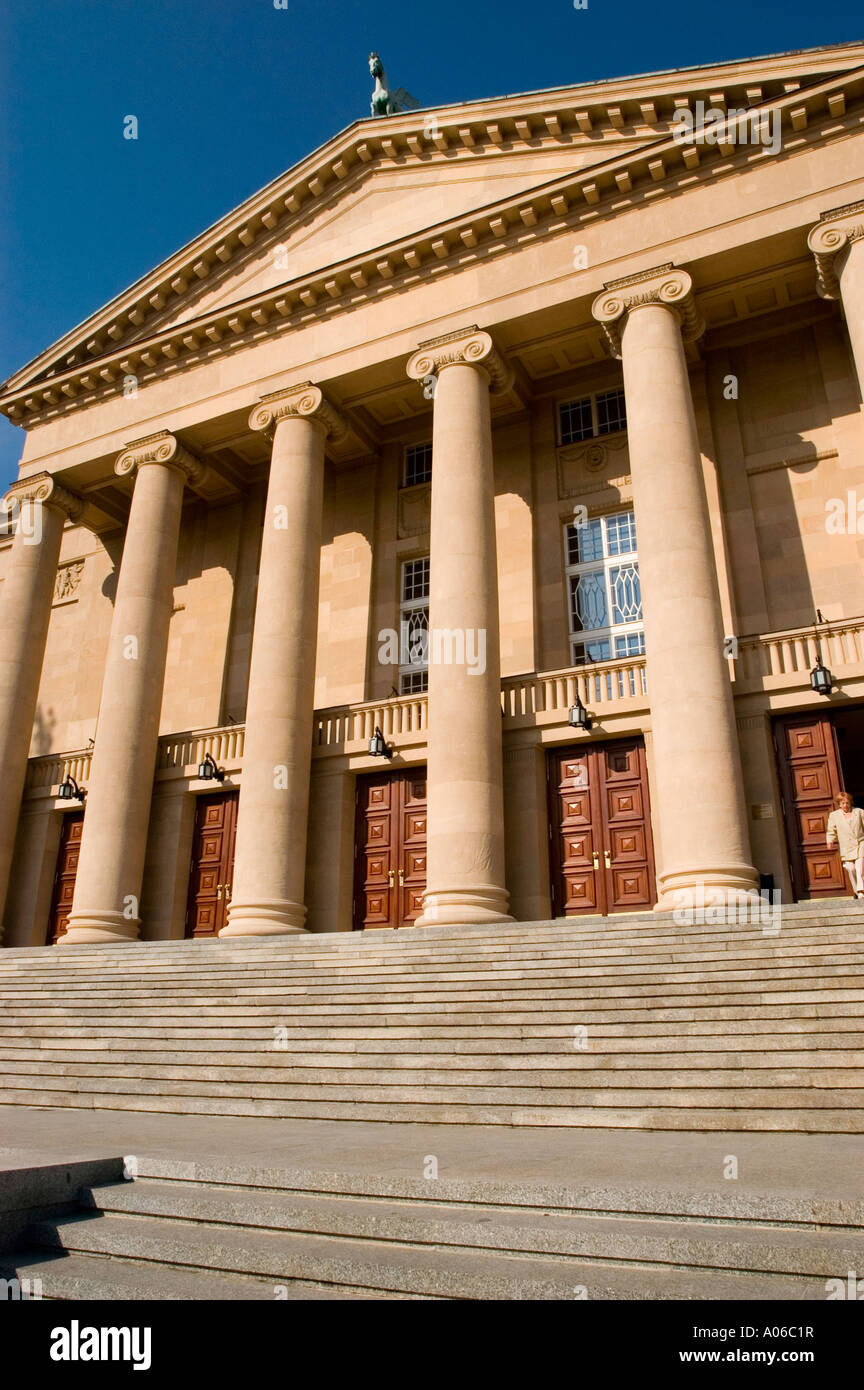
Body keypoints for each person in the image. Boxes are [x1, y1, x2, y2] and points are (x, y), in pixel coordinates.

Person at [826, 792, 864, 899]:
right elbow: (831, 830)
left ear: (850, 802)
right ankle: (857, 890)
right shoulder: (834, 816)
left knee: (859, 867)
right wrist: (830, 841)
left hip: (860, 843)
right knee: (851, 869)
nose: (845, 805)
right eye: (843, 803)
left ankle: (861, 891)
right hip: (846, 847)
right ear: (839, 804)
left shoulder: (859, 812)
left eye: (847, 803)